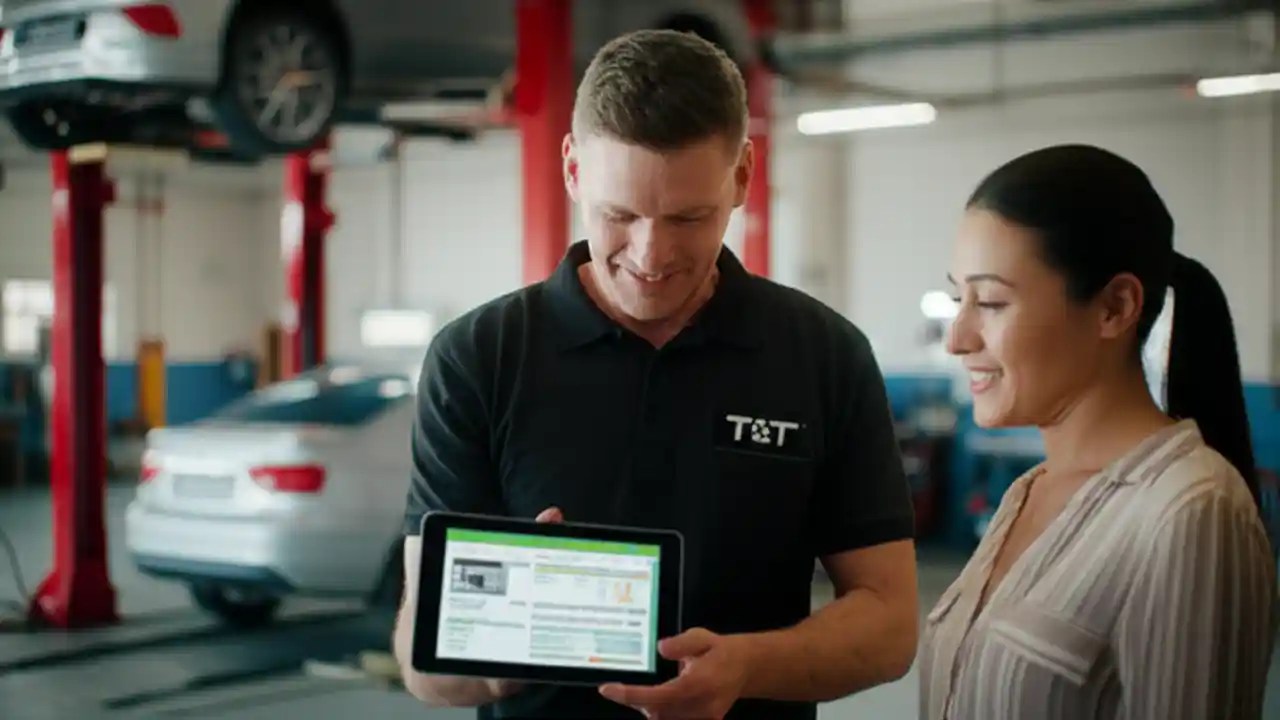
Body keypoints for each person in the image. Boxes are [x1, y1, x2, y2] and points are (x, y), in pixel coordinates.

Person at [392, 28, 919, 720]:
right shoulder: (478, 358)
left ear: (741, 177)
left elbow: (889, 624)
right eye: (620, 215)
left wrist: (748, 668)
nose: (651, 253)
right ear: (574, 170)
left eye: (689, 218)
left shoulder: (824, 355)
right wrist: (513, 631)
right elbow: (419, 661)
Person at [919, 144, 1277, 720]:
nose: (957, 338)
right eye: (960, 298)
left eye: (989, 301)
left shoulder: (1190, 512)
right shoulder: (1027, 493)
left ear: (1114, 307)